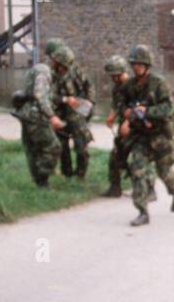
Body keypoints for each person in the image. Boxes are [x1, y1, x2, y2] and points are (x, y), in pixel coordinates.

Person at [119, 44, 174, 226]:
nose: (136, 67)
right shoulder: (129, 86)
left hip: (160, 135)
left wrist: (147, 110)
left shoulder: (158, 83)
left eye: (140, 64)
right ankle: (142, 211)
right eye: (134, 64)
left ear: (147, 65)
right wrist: (126, 114)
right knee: (137, 169)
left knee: (164, 172)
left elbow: (169, 107)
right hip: (140, 136)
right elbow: (121, 104)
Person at [103, 56, 158, 203]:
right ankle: (115, 188)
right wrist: (111, 116)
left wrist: (127, 121)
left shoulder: (132, 85)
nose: (112, 78)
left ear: (121, 72)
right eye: (111, 75)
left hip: (138, 126)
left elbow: (136, 107)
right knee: (115, 155)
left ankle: (150, 189)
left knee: (141, 158)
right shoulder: (117, 88)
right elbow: (118, 105)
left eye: (114, 75)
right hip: (124, 127)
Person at [13, 54, 63, 187]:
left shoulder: (39, 69)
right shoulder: (44, 72)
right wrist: (52, 116)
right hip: (35, 115)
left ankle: (39, 182)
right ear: (57, 63)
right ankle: (43, 178)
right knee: (53, 146)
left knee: (33, 149)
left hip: (27, 113)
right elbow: (40, 95)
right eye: (63, 66)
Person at [49, 42, 94, 180]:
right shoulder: (51, 76)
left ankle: (81, 174)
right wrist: (65, 99)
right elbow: (48, 96)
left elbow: (89, 85)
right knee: (61, 144)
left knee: (81, 144)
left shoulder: (77, 71)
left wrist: (90, 102)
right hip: (60, 113)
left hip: (78, 113)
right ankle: (67, 173)